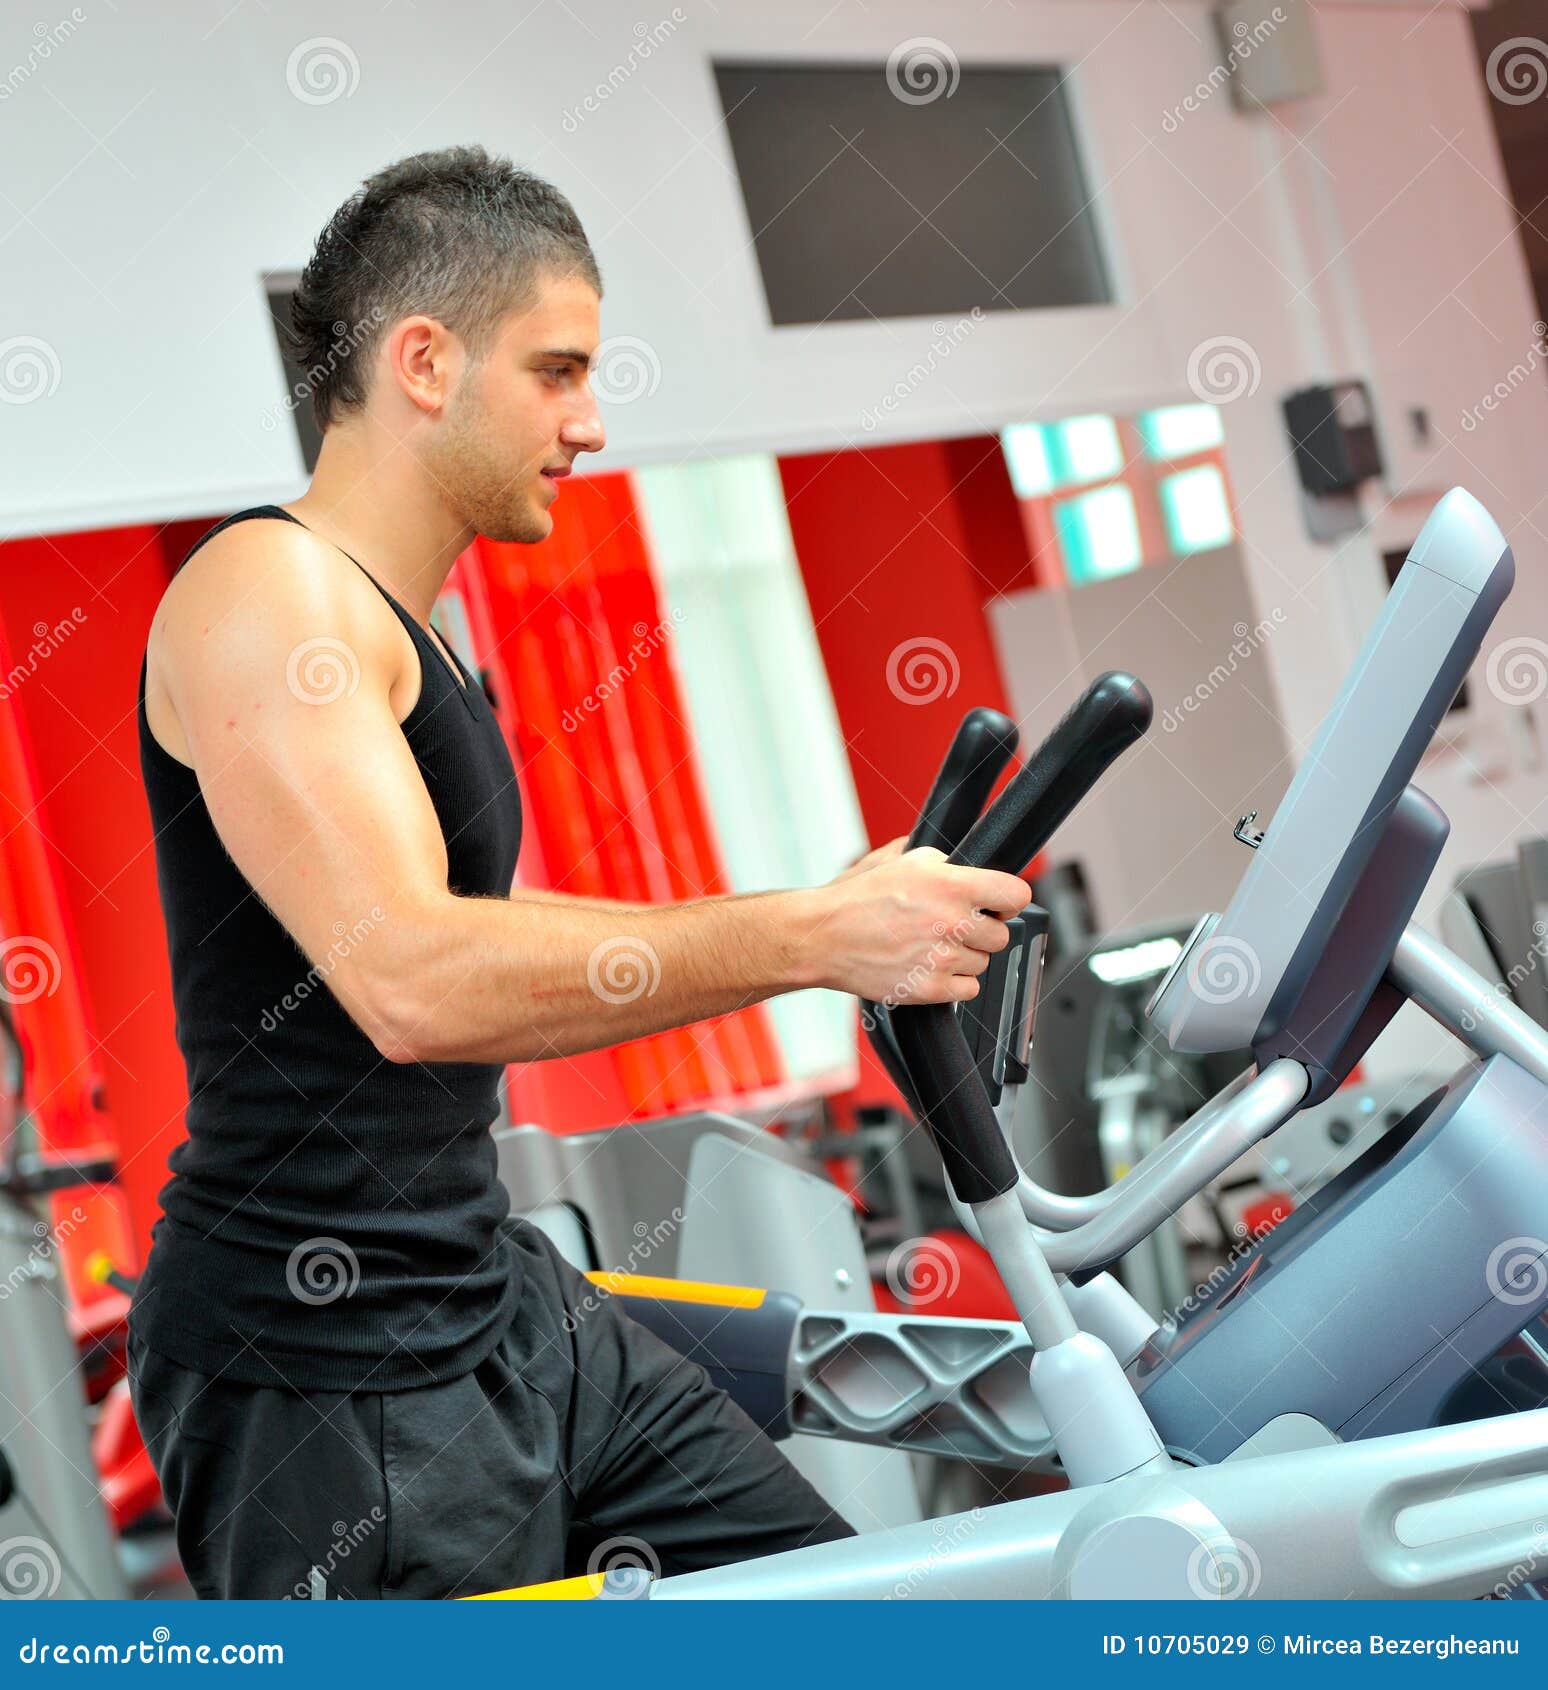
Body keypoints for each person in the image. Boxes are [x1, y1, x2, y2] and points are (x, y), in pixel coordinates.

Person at [130, 145, 1030, 1599]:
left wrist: (823, 910)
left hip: (495, 1302)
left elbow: (476, 919)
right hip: (329, 1368)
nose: (591, 423)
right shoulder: (265, 599)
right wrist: (813, 939)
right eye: (557, 371)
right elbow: (411, 976)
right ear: (424, 361)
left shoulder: (400, 627)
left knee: (842, 1609)